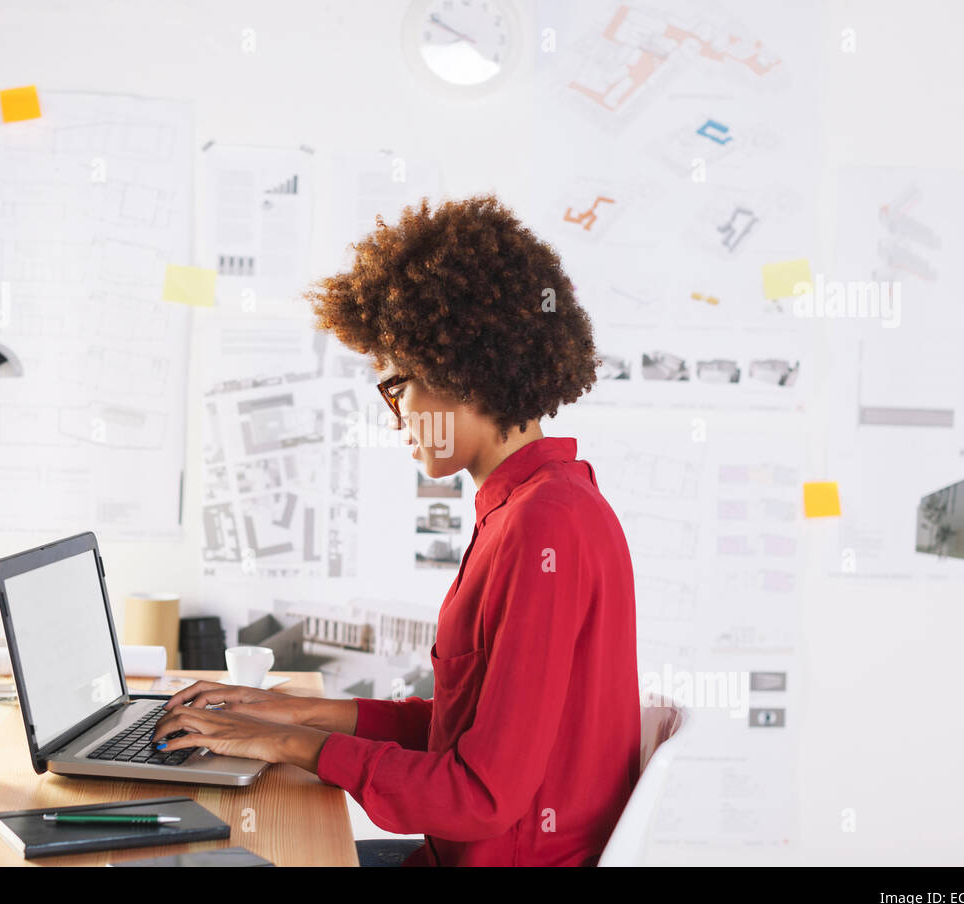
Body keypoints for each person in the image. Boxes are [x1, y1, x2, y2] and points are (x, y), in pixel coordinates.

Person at [152, 194, 641, 866]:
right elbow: (456, 732)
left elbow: (477, 795)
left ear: (462, 366)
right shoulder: (537, 504)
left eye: (395, 388)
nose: (393, 418)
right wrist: (284, 714)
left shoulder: (543, 527)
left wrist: (279, 745)